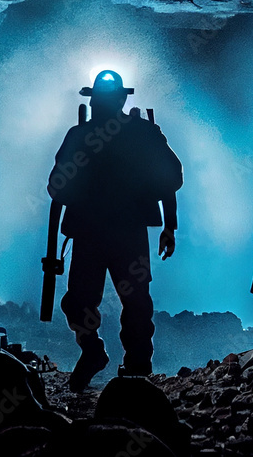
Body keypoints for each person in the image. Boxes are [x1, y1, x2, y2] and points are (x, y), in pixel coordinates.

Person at [47, 70, 183, 391]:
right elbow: (57, 185)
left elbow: (170, 177)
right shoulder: (131, 134)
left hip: (111, 232)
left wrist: (170, 225)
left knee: (132, 302)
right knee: (86, 301)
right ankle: (101, 355)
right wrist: (168, 225)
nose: (99, 105)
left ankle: (135, 367)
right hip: (106, 233)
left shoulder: (96, 135)